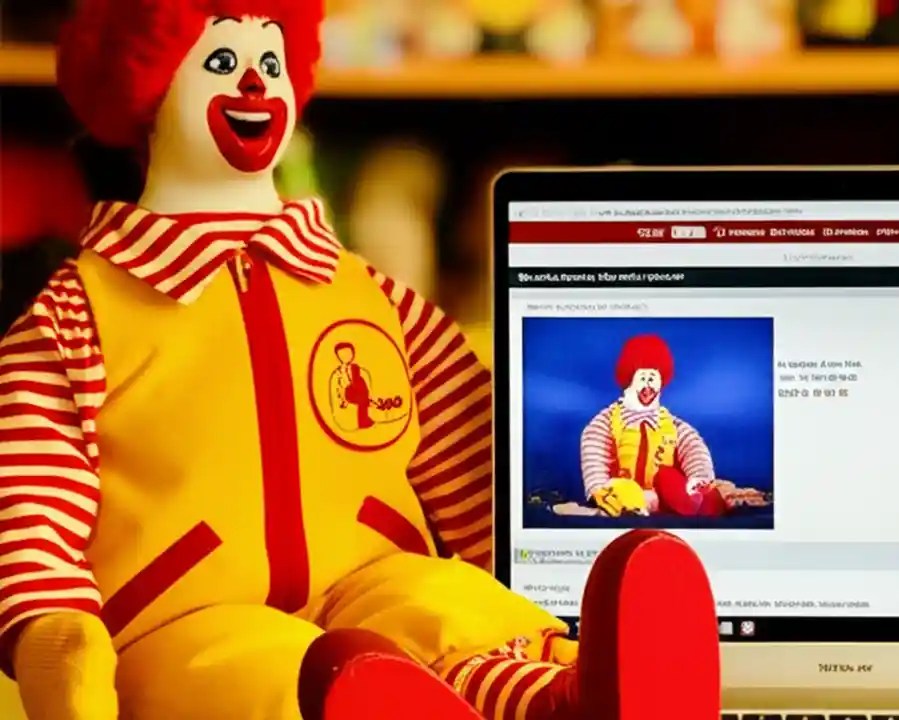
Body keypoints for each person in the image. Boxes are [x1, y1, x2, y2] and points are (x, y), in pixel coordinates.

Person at [0, 3, 719, 719]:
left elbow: (465, 445)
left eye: (272, 63)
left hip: (367, 575)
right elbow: (32, 496)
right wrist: (52, 630)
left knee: (442, 607)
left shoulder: (366, 293)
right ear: (145, 87)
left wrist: (532, 570)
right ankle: (379, 706)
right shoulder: (81, 315)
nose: (256, 85)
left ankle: (570, 700)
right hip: (180, 617)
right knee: (266, 671)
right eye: (223, 62)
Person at [579, 334, 730, 518]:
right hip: (622, 491)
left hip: (663, 494)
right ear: (629, 379)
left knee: (670, 478)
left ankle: (689, 502)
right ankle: (633, 506)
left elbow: (693, 448)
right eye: (642, 377)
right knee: (622, 491)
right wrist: (598, 488)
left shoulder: (672, 425)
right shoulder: (606, 422)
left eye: (653, 377)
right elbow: (594, 448)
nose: (648, 384)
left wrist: (699, 477)